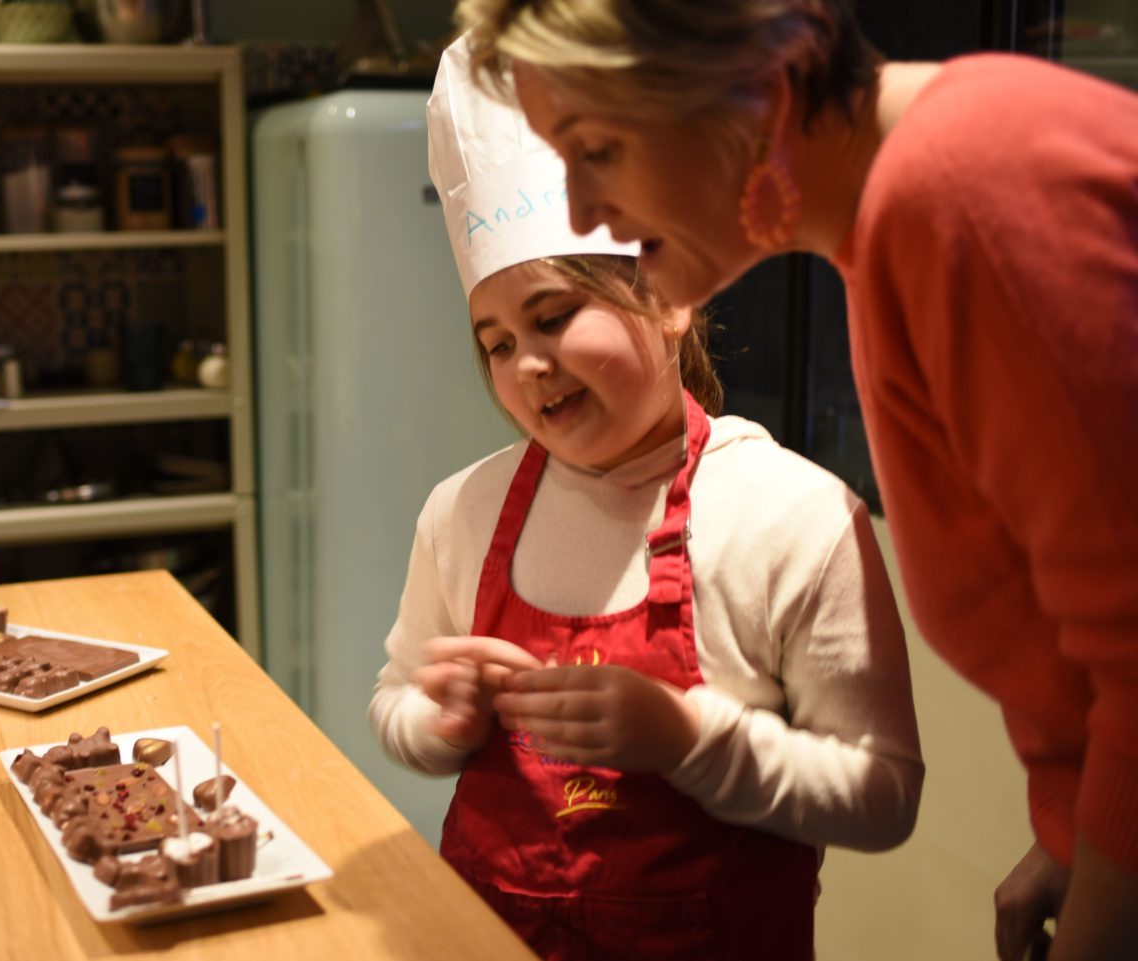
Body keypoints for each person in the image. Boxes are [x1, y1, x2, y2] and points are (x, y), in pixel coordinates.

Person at [450, 3, 1138, 960]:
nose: (584, 210)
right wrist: (1078, 838)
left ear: (747, 88)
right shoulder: (896, 229)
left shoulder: (966, 192)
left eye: (596, 148)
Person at [368, 37, 923, 961]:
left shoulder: (792, 518)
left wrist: (689, 738)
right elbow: (393, 695)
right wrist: (435, 718)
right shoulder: (459, 514)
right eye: (497, 343)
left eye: (553, 316)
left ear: (669, 294)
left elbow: (882, 794)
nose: (527, 365)